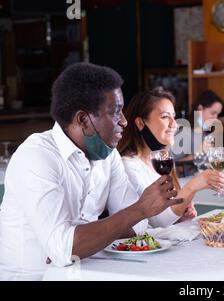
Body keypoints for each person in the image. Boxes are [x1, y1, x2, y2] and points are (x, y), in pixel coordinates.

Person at [0, 63, 181, 280]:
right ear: (83, 120)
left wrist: (81, 239)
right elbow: (66, 250)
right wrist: (139, 209)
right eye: (115, 112)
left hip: (85, 272)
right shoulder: (36, 156)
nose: (124, 121)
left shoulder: (108, 155)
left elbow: (139, 227)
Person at [118, 87, 224, 227]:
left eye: (173, 117)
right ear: (140, 123)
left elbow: (166, 214)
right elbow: (159, 221)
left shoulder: (161, 162)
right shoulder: (130, 166)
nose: (174, 124)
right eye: (164, 117)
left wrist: (182, 211)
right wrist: (192, 187)